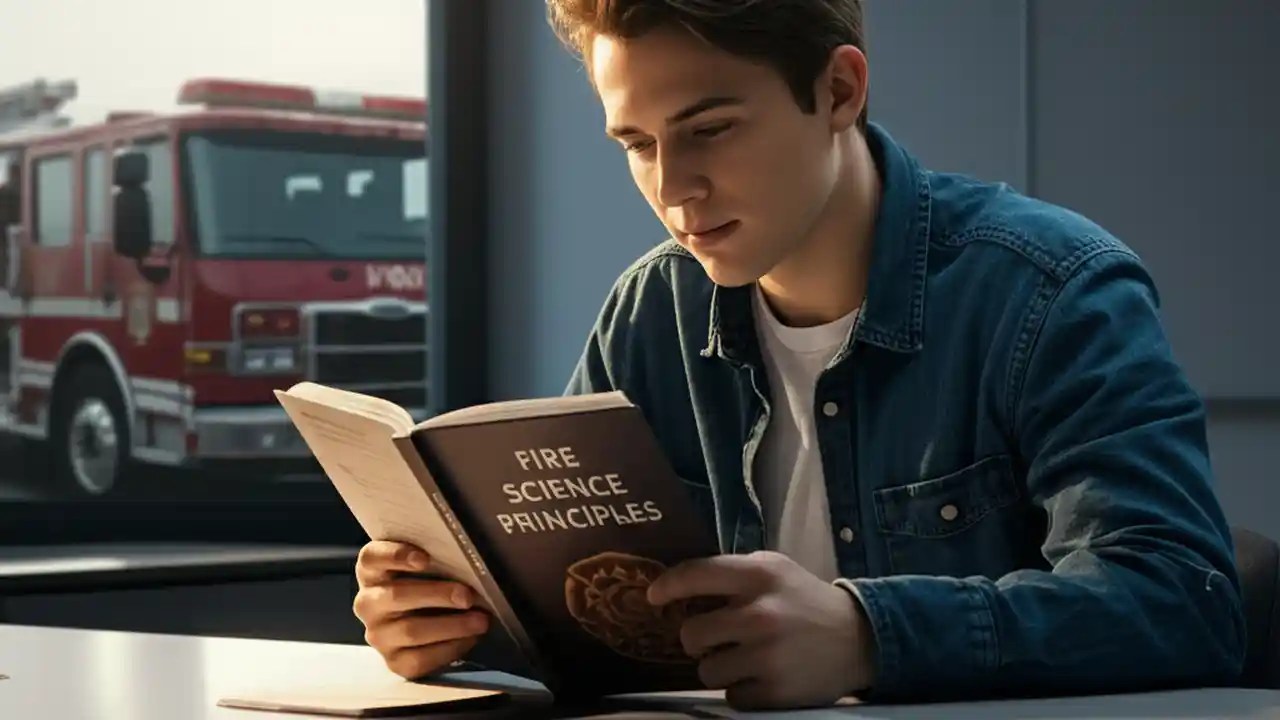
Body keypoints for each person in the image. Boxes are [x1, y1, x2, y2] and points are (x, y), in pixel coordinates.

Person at [352, 0, 1245, 709]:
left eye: (710, 128)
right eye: (636, 144)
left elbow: (1182, 603)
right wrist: (460, 620)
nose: (673, 188)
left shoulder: (1053, 292)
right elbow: (591, 617)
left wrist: (869, 634)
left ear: (839, 91)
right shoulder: (652, 310)